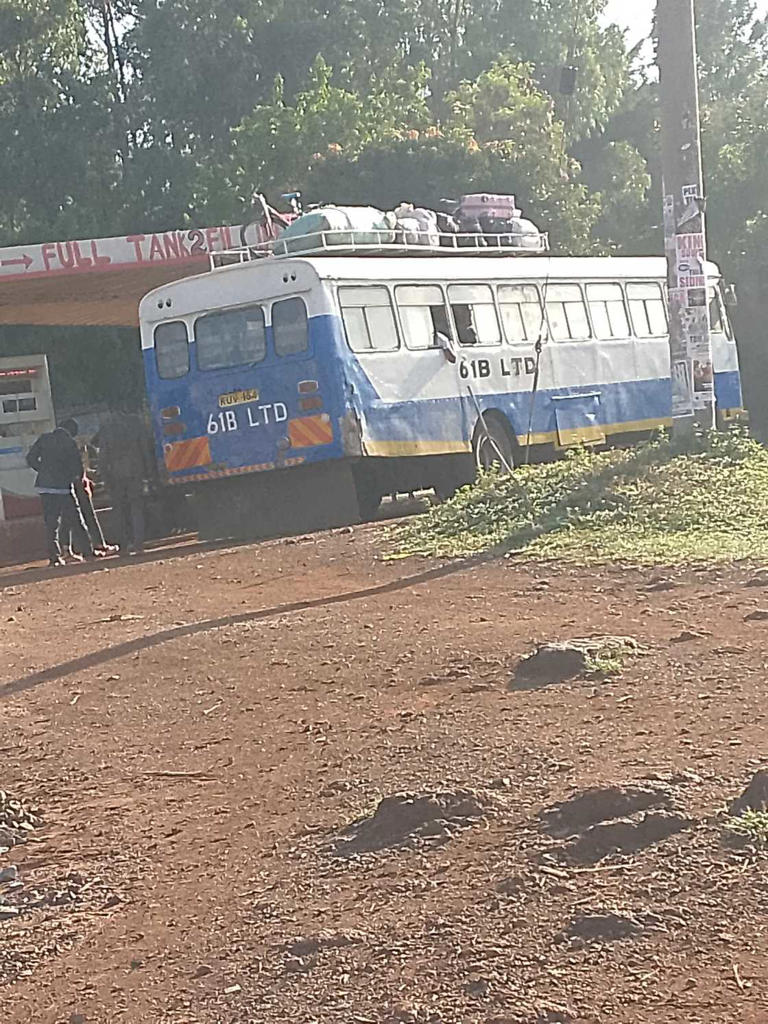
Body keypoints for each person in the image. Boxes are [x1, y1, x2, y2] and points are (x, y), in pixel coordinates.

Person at [26, 420, 95, 567]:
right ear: (71, 432)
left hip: (44, 487)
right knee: (77, 521)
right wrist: (71, 477)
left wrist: (43, 470)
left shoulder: (44, 439)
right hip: (63, 488)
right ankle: (88, 552)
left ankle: (54, 558)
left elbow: (30, 458)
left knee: (51, 524)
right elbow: (77, 467)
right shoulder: (69, 443)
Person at [95, 406, 154, 555]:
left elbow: (103, 455)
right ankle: (139, 544)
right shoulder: (136, 423)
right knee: (136, 508)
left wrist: (104, 476)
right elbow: (145, 449)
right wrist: (149, 472)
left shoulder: (107, 427)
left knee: (119, 511)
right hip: (135, 472)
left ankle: (123, 546)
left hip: (115, 475)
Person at [59, 420, 116, 559]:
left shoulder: (55, 445)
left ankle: (66, 549)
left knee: (67, 518)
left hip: (63, 486)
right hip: (78, 484)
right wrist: (83, 479)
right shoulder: (73, 445)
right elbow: (79, 467)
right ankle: (98, 544)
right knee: (88, 515)